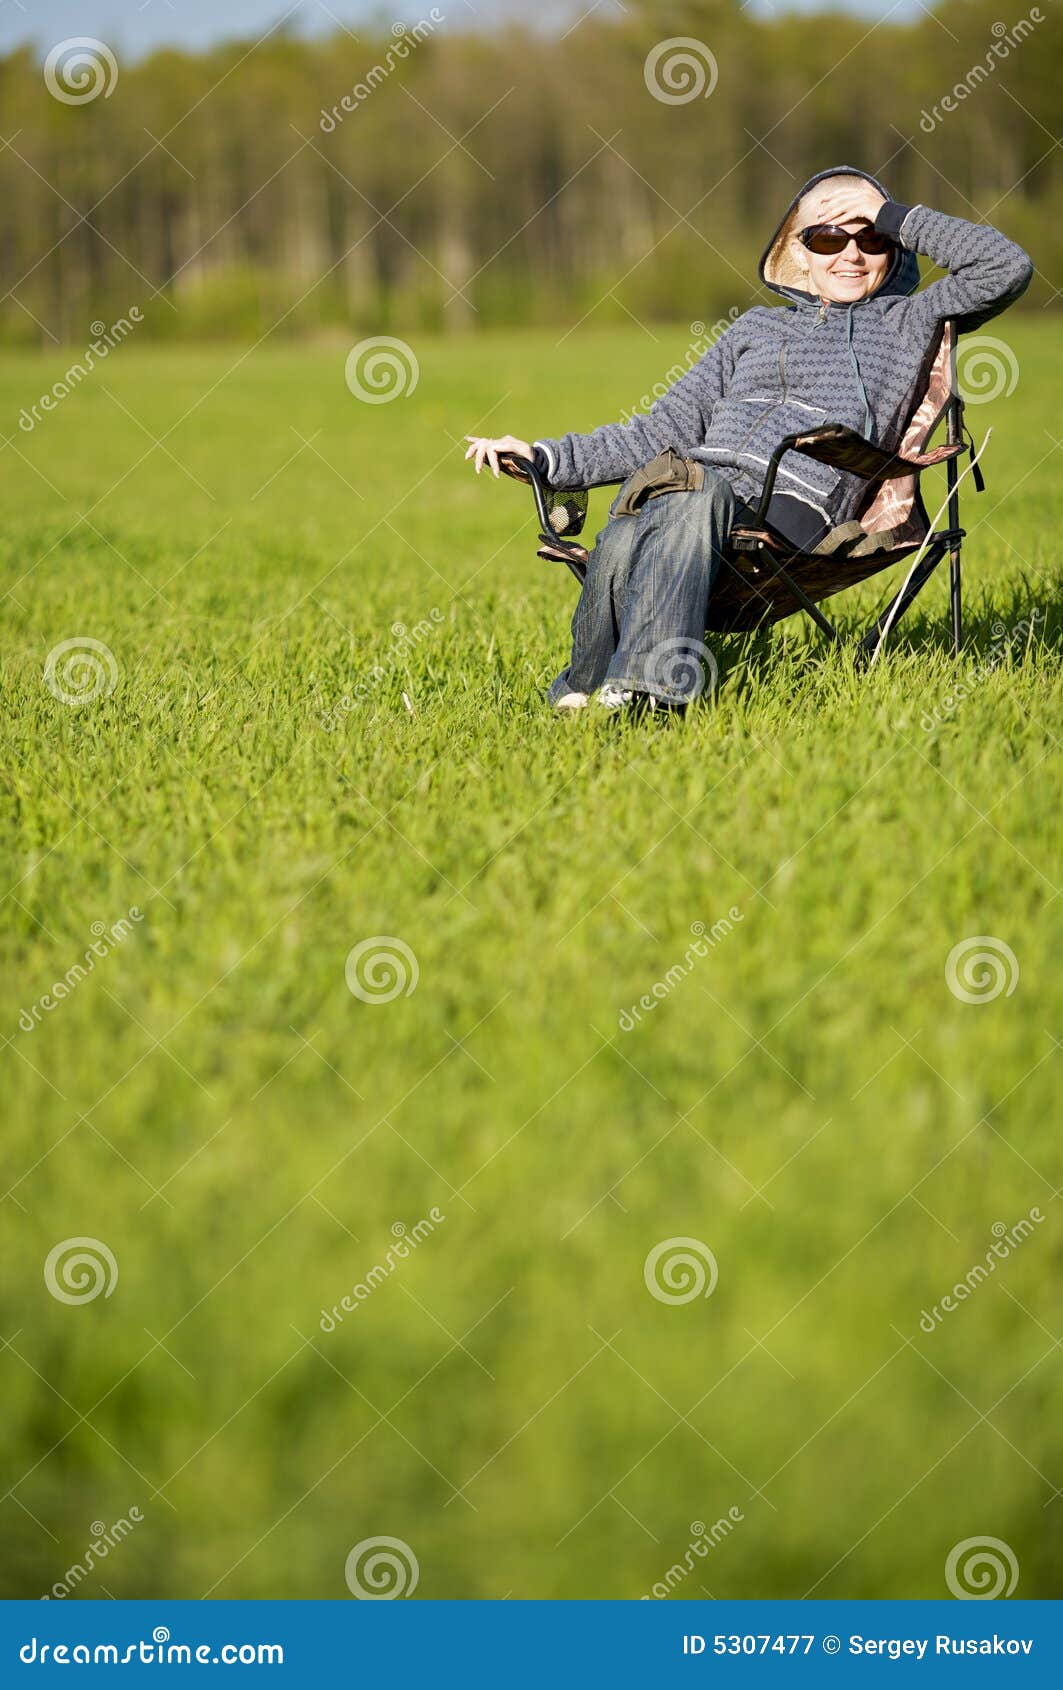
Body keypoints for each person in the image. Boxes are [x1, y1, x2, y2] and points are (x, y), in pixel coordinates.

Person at [464, 166, 1032, 712]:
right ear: (801, 255)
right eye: (829, 237)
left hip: (794, 512)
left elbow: (1006, 267)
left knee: (688, 494)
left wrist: (895, 214)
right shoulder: (754, 329)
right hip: (694, 494)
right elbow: (659, 431)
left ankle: (649, 690)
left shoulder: (909, 321)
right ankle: (585, 689)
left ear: (893, 249)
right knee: (632, 522)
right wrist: (546, 456)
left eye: (872, 238)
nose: (852, 253)